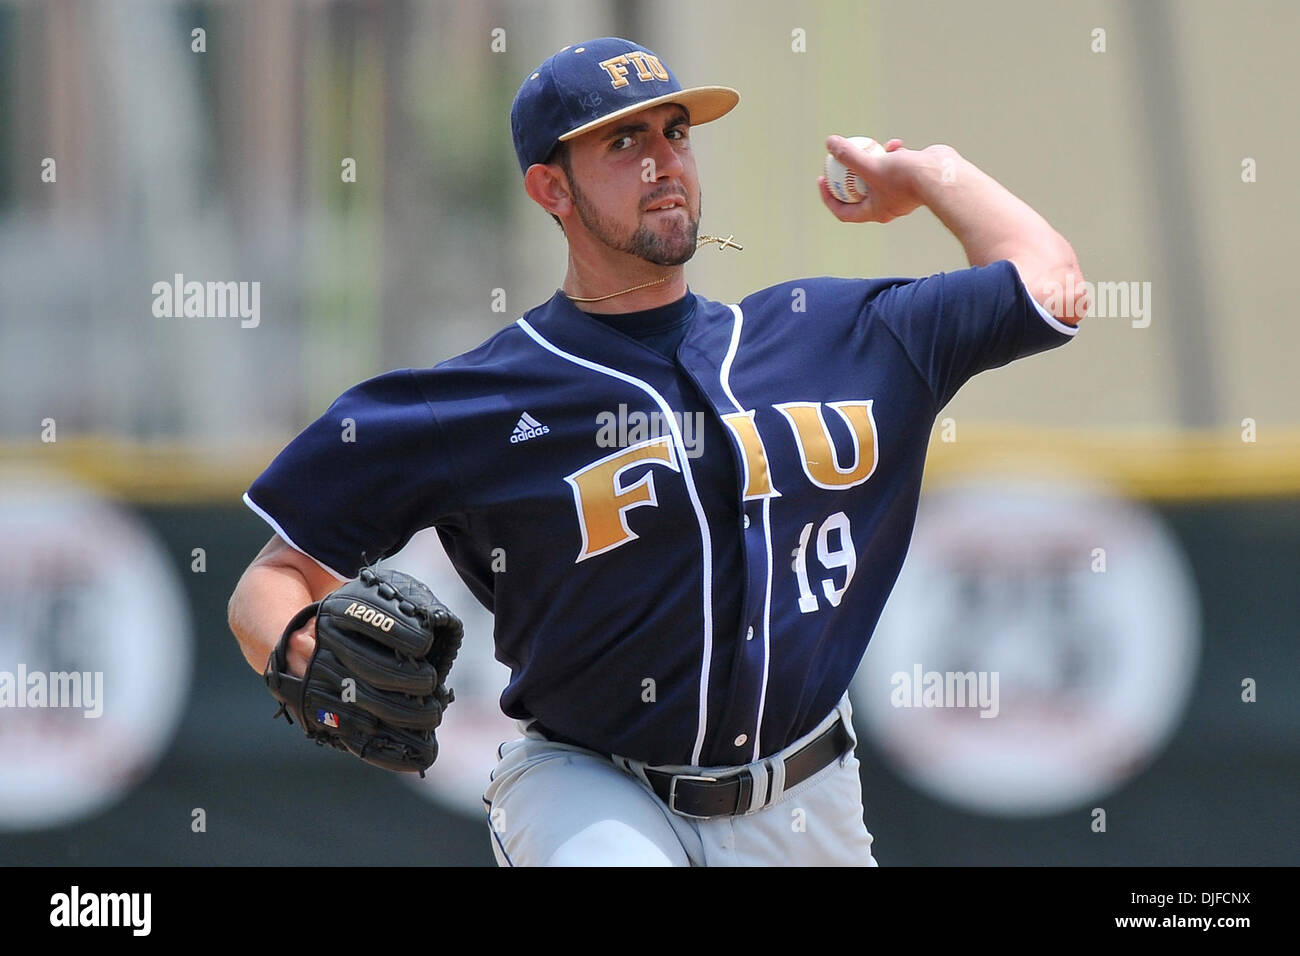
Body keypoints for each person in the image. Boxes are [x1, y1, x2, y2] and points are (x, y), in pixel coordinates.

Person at [227, 36, 1088, 866]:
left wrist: (933, 175)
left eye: (675, 132)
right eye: (623, 139)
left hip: (807, 795)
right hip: (590, 788)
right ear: (549, 188)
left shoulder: (831, 335)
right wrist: (301, 649)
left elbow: (1048, 290)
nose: (664, 160)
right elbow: (270, 579)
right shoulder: (478, 400)